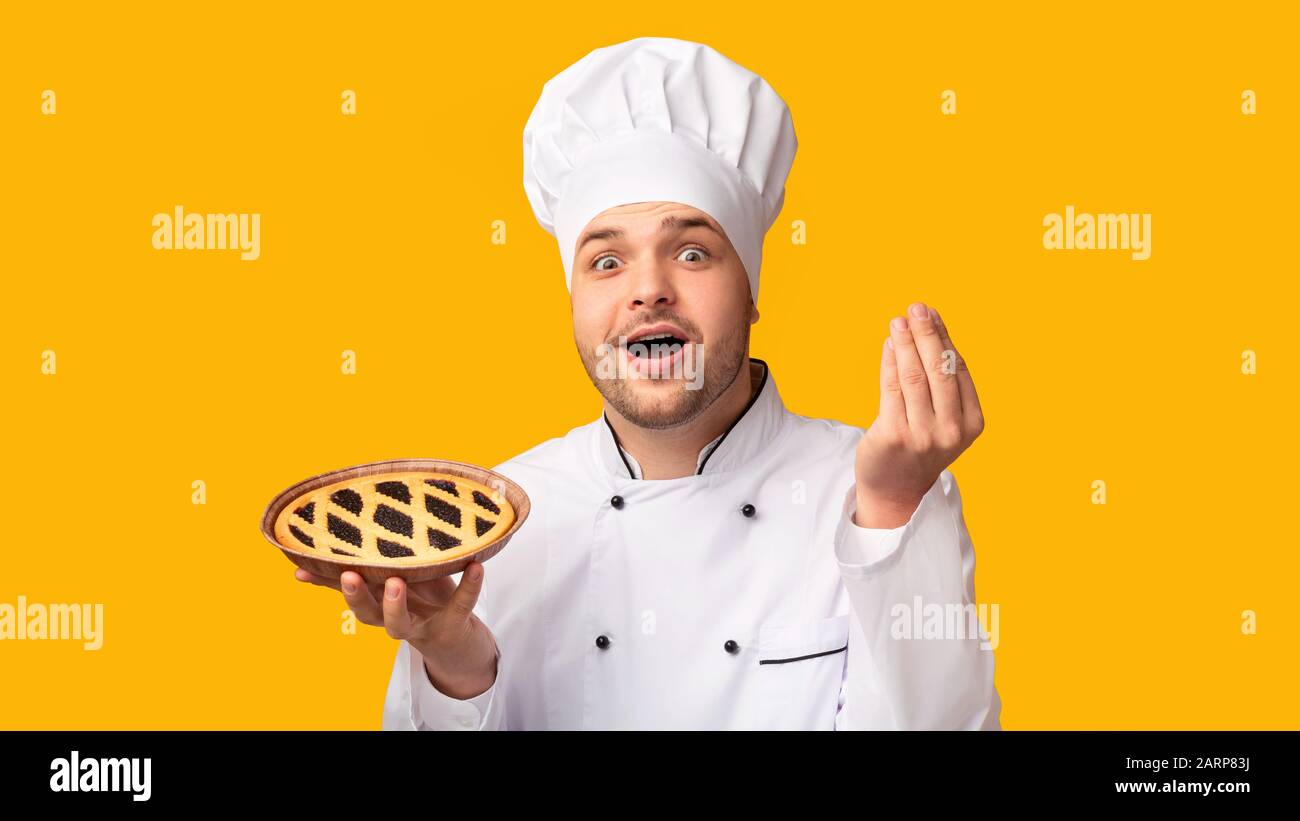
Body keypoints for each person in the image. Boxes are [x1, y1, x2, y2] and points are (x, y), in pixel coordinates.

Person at [295, 36, 1000, 730]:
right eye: (606, 263)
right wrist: (455, 664)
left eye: (692, 252)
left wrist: (892, 510)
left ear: (751, 290)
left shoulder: (878, 491)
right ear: (573, 303)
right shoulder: (499, 519)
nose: (648, 291)